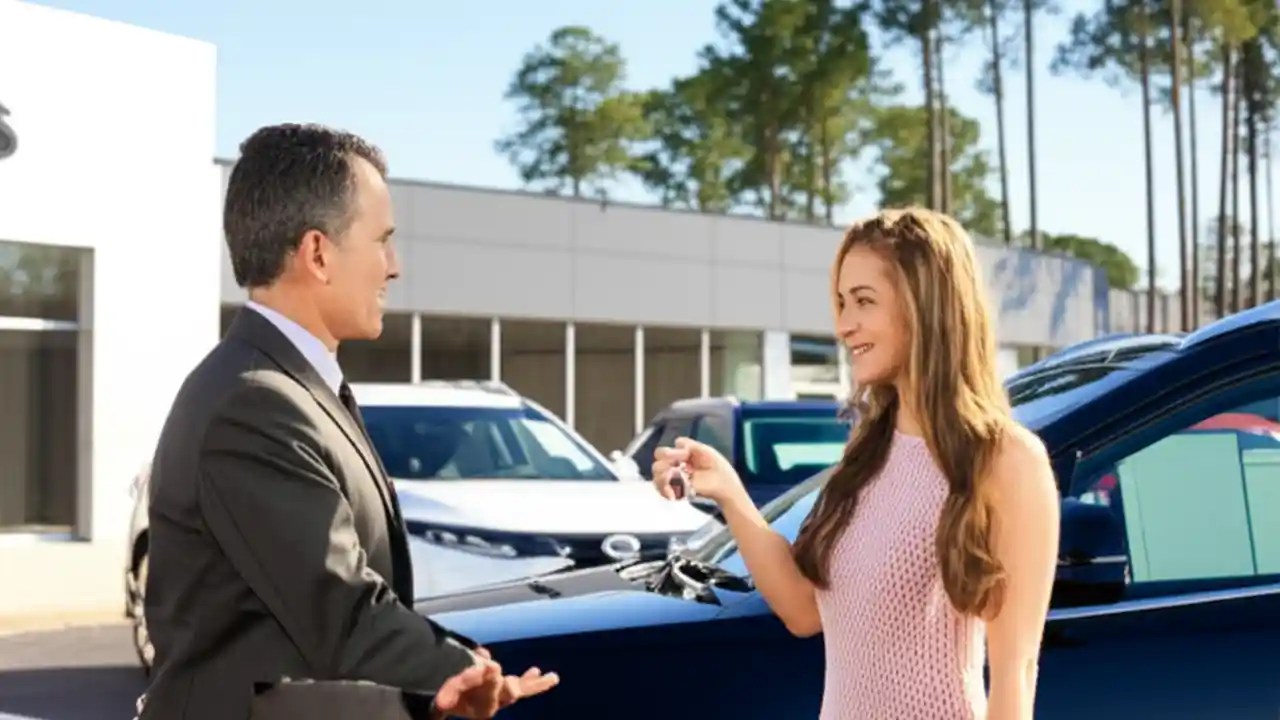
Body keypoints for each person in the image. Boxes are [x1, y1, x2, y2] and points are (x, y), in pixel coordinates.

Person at [138, 123, 557, 720]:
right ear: (317, 253)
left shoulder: (281, 386)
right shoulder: (255, 402)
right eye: (382, 240)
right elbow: (339, 608)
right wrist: (464, 671)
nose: (394, 267)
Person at [652, 207, 1060, 719]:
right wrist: (731, 492)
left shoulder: (1006, 460)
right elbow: (803, 610)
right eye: (842, 303)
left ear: (925, 306)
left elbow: (1016, 673)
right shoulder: (868, 455)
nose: (845, 326)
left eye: (864, 301)